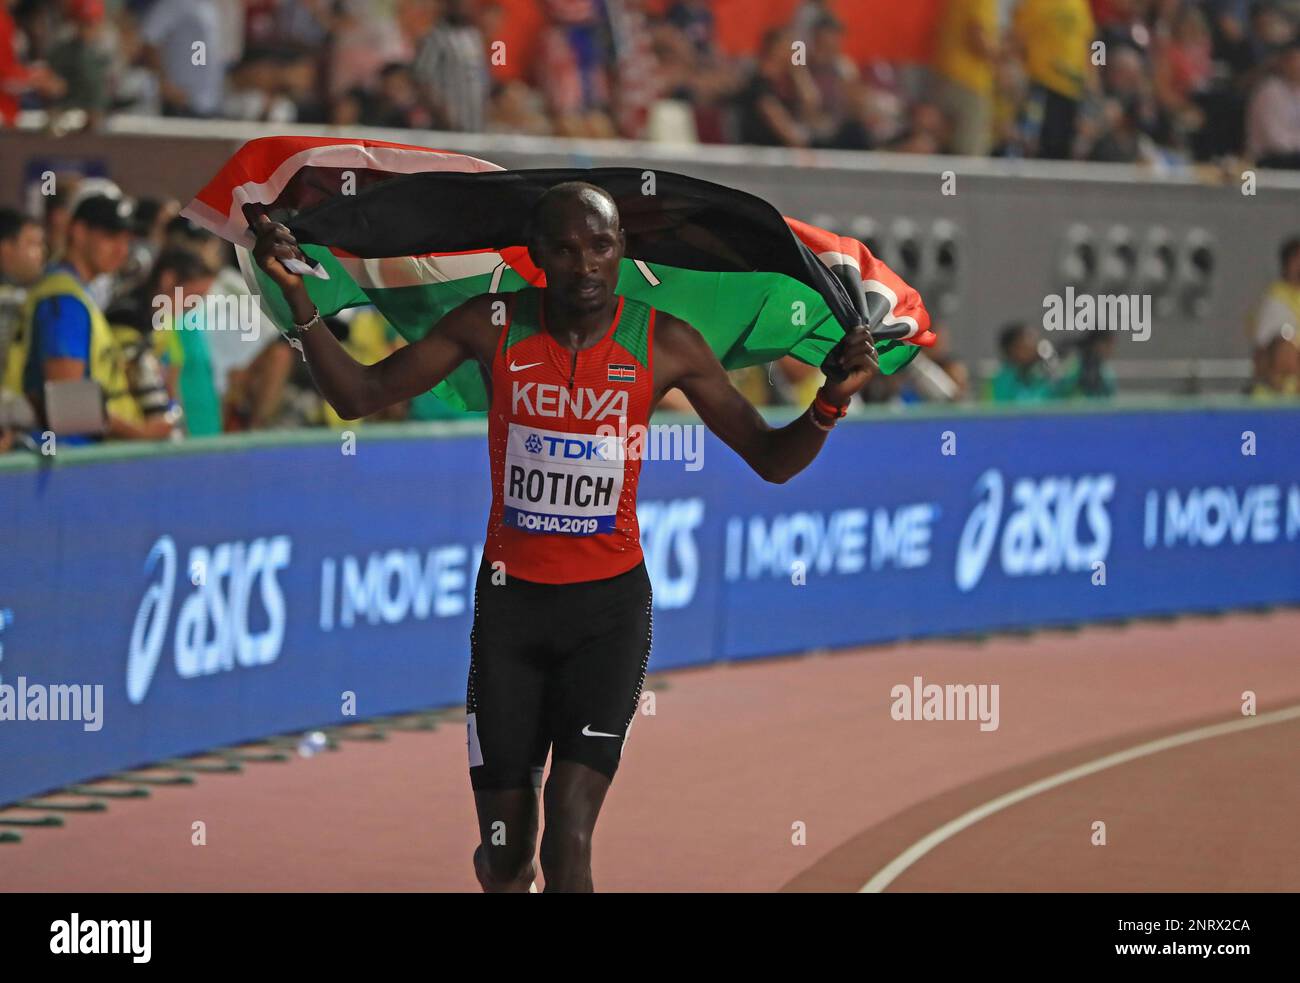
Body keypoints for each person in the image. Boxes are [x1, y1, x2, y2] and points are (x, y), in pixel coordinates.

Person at [251, 182, 878, 893]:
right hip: (511, 617)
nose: (586, 264)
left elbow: (770, 459)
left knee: (568, 832)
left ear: (623, 251)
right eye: (566, 248)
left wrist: (828, 402)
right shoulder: (490, 323)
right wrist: (301, 306)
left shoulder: (664, 340)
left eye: (603, 246)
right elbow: (356, 396)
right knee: (506, 857)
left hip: (608, 617)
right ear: (536, 256)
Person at [3, 195, 169, 442]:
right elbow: (68, 403)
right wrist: (143, 432)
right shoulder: (66, 300)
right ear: (79, 232)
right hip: (66, 459)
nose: (121, 250)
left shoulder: (75, 293)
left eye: (126, 240)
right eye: (110, 237)